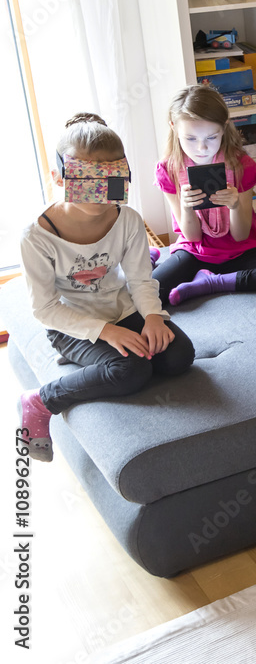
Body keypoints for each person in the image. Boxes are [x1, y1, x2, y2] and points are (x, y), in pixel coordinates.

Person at [18, 114, 195, 462]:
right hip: (72, 325)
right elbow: (45, 309)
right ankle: (41, 400)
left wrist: (154, 317)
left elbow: (140, 279)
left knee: (179, 355)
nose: (102, 193)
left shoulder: (127, 219)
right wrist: (105, 332)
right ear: (59, 177)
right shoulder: (36, 237)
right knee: (132, 371)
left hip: (122, 308)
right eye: (89, 181)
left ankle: (100, 361)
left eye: (112, 180)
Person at [151, 84, 256, 305]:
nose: (201, 148)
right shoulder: (168, 169)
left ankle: (215, 282)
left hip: (240, 251)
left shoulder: (241, 165)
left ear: (224, 127)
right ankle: (165, 265)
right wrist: (186, 207)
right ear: (174, 127)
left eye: (211, 137)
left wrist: (235, 206)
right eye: (190, 139)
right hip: (194, 252)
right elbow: (192, 237)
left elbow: (240, 235)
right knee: (150, 293)